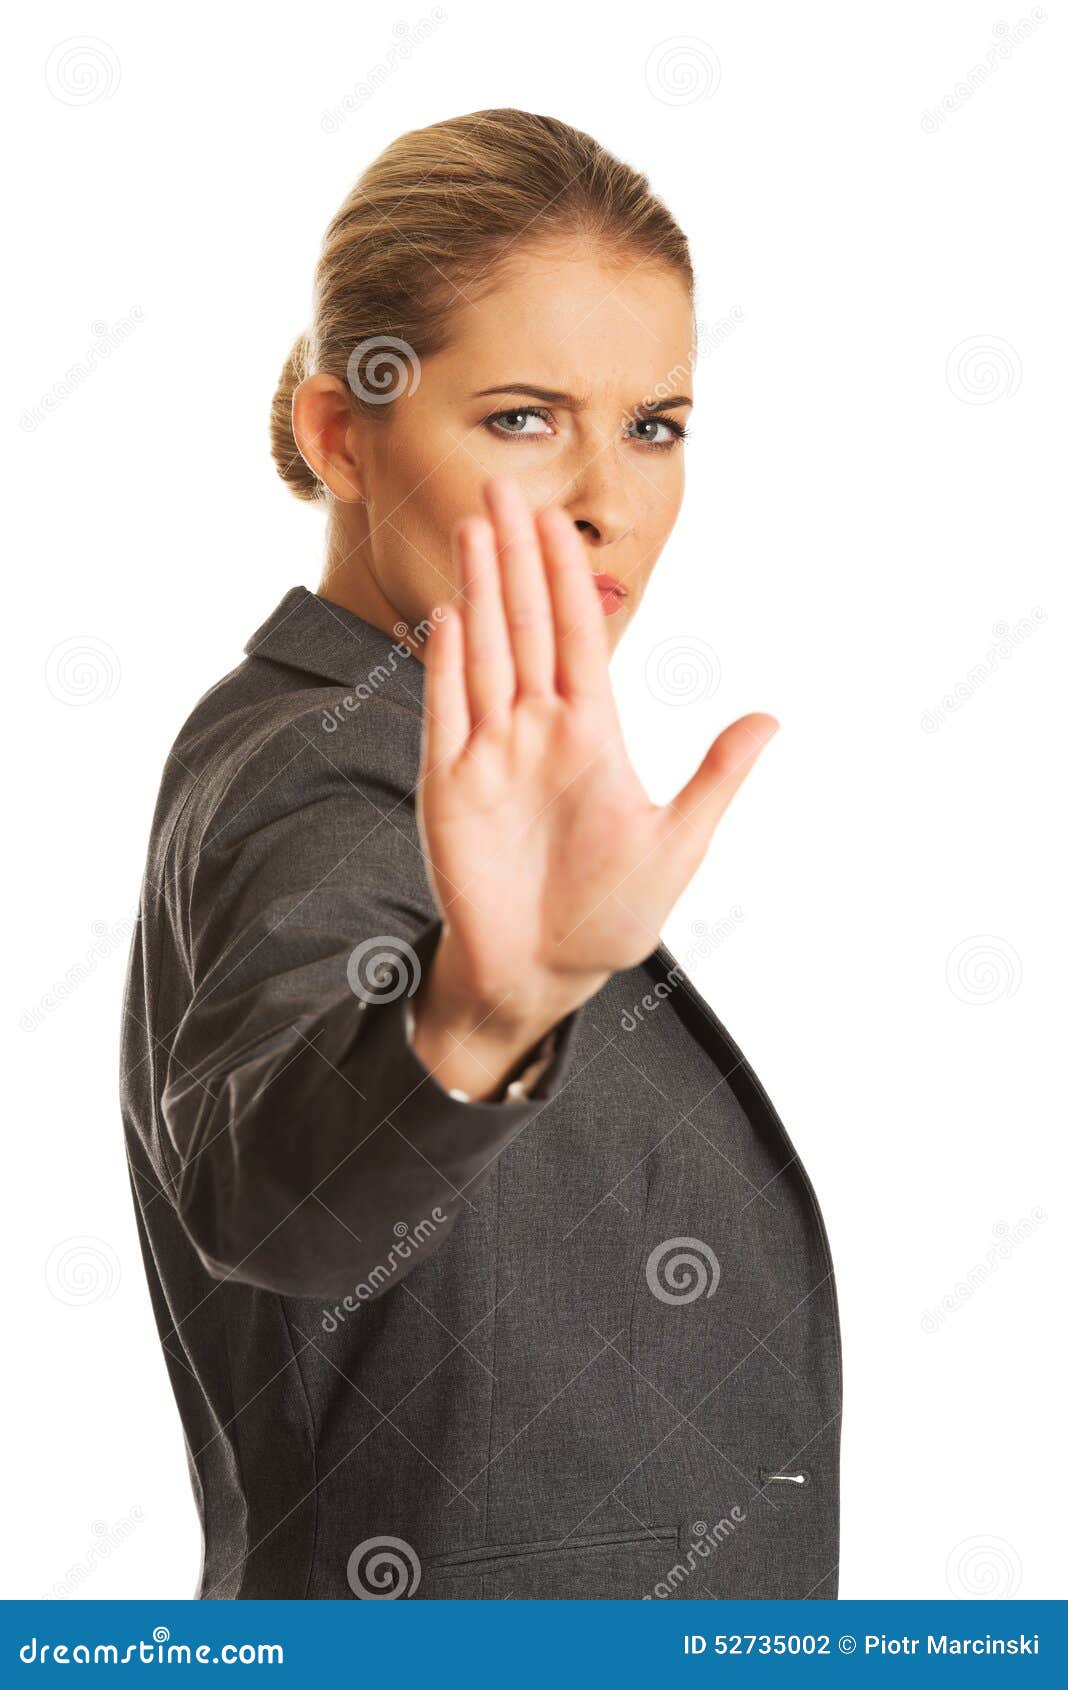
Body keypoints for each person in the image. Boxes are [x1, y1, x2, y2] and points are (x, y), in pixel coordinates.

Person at [120, 107, 842, 1601]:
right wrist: (472, 1022)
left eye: (655, 425)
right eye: (523, 417)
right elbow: (266, 1192)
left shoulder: (442, 764)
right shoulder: (313, 772)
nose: (608, 499)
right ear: (342, 434)